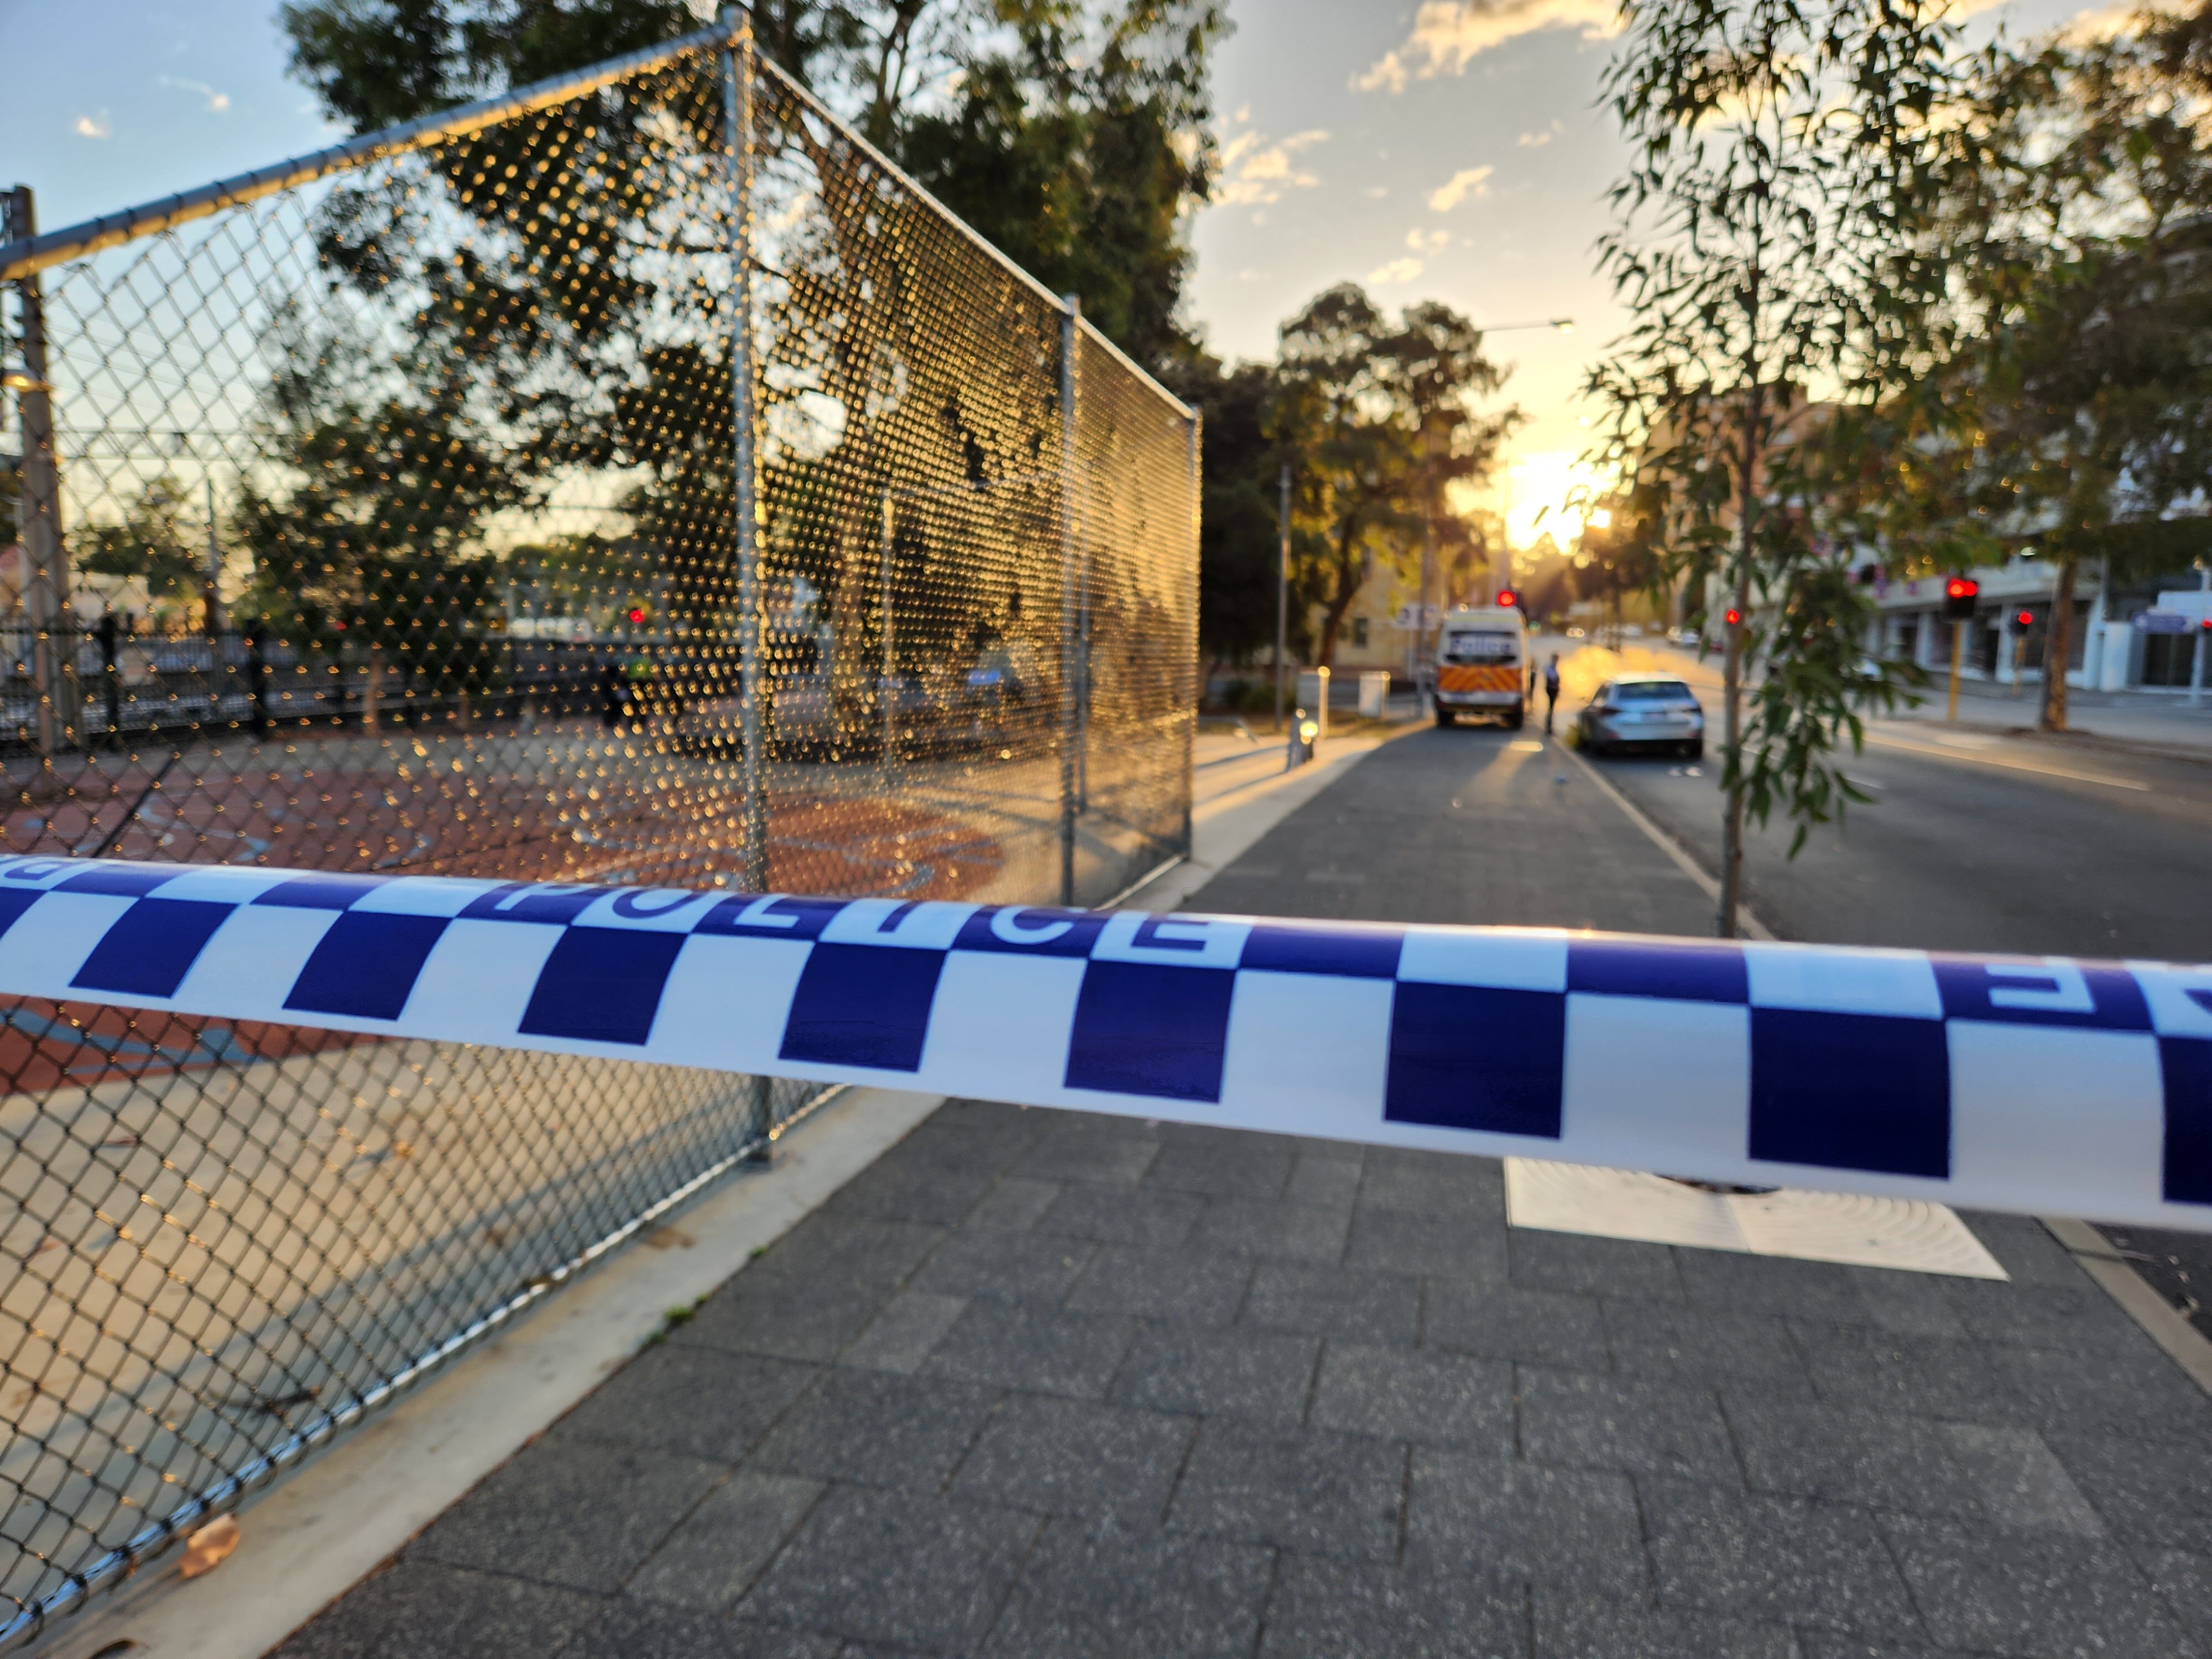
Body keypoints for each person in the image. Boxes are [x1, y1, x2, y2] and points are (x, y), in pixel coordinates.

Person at [1543, 653, 1561, 734]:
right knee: (1550, 708)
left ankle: (1549, 725)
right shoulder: (1550, 668)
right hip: (1551, 690)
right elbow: (1552, 679)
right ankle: (1548, 726)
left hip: (1554, 690)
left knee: (1551, 708)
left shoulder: (1555, 668)